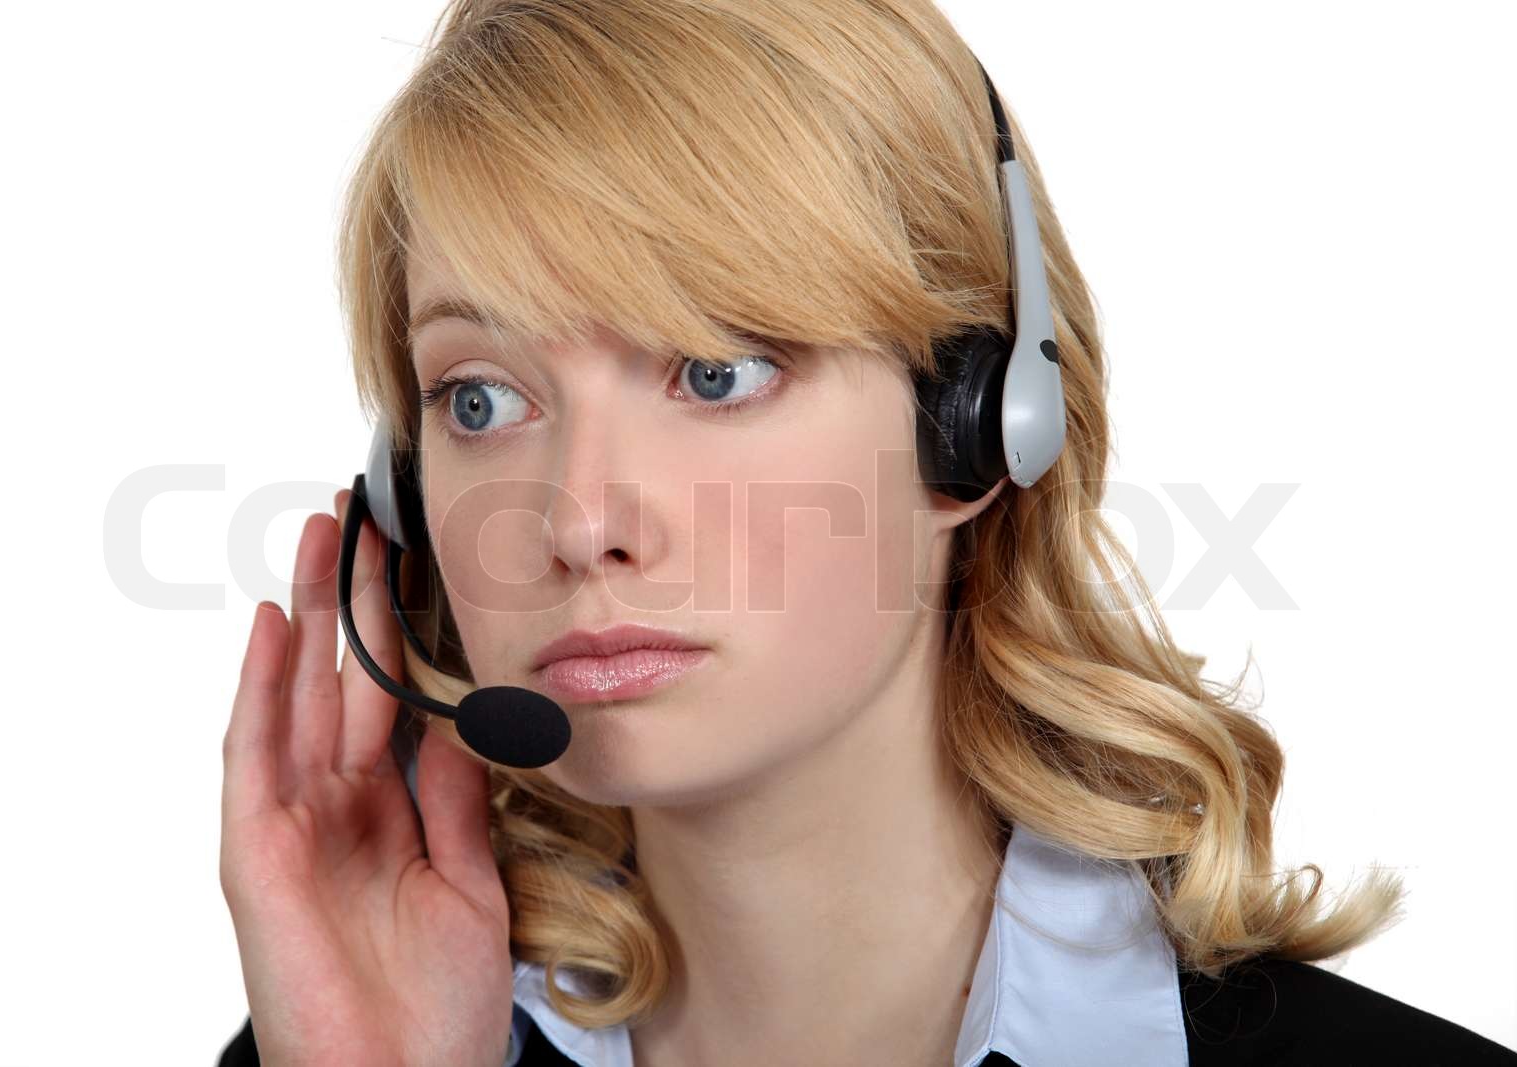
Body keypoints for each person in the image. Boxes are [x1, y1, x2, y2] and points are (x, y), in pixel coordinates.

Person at [216, 1, 1517, 1064]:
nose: (576, 521)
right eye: (481, 399)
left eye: (717, 371)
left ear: (980, 417)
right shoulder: (354, 1047)